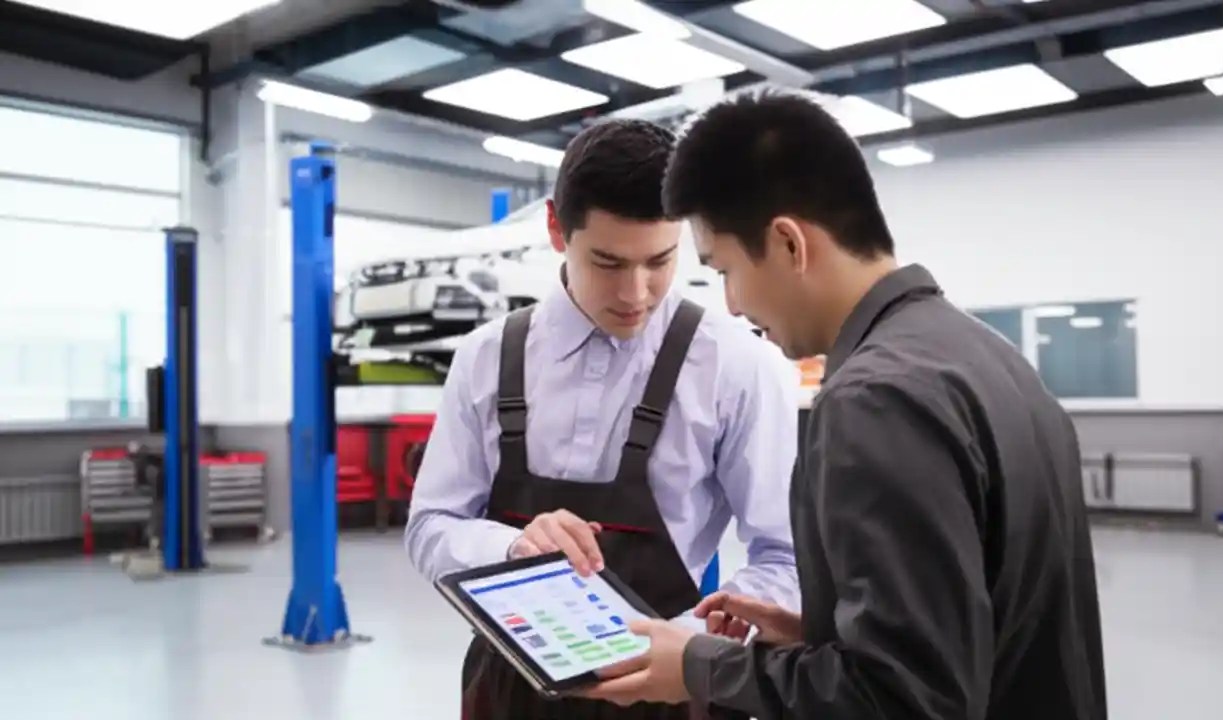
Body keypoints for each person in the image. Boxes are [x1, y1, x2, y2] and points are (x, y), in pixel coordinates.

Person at [581, 91, 1108, 719]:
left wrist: (699, 666)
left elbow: (906, 701)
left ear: (788, 245)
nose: (731, 305)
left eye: (724, 269)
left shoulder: (875, 402)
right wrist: (823, 634)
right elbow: (968, 642)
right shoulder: (987, 359)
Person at [405, 117, 802, 720]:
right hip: (508, 688)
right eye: (609, 263)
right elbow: (431, 524)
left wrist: (693, 645)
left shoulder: (739, 366)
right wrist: (512, 546)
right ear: (555, 229)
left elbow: (785, 554)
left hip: (671, 688)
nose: (636, 292)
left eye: (660, 261)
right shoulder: (486, 359)